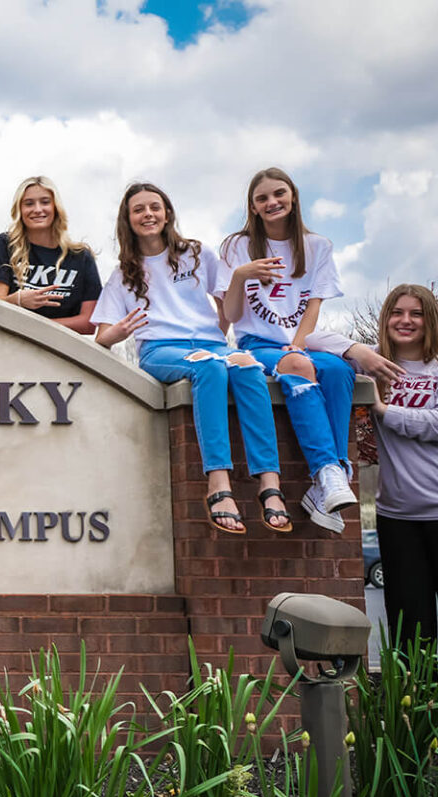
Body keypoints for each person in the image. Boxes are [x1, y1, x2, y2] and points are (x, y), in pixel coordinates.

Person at [308, 285, 438, 671]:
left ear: (431, 320)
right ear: (386, 319)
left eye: (416, 313)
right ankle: (418, 724)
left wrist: (381, 408)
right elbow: (309, 337)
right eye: (397, 312)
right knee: (409, 630)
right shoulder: (373, 363)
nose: (405, 321)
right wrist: (357, 351)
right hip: (400, 514)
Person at [92, 183, 289, 535]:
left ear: (167, 213)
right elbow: (101, 338)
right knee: (210, 368)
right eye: (139, 209)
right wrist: (119, 332)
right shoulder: (124, 272)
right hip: (162, 349)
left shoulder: (197, 253)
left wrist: (240, 279)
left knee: (247, 367)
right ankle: (218, 482)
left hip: (213, 342)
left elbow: (228, 312)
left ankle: (269, 484)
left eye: (155, 206)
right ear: (128, 220)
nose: (148, 214)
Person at [218, 167, 356, 534]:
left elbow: (313, 308)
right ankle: (328, 471)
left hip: (301, 342)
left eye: (279, 194)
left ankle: (328, 479)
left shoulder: (318, 247)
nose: (272, 202)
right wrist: (240, 275)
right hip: (256, 346)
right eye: (262, 198)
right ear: (253, 207)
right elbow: (230, 316)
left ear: (293, 197)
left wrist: (299, 344)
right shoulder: (236, 247)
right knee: (297, 364)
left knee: (340, 370)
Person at [0, 176, 101, 333]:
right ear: (20, 209)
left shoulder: (81, 256)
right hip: (12, 341)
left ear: (55, 207)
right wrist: (18, 299)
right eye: (29, 204)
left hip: (60, 349)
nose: (37, 209)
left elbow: (89, 323)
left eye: (45, 202)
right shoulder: (6, 244)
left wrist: (39, 327)